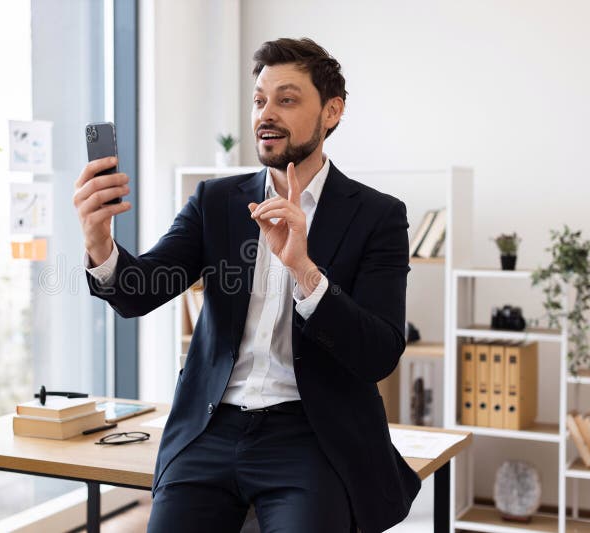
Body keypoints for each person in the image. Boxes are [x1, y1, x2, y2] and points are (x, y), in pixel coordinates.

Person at [73, 37, 421, 533]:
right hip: (210, 428)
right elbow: (140, 291)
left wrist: (304, 270)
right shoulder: (216, 201)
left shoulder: (378, 215)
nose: (266, 113)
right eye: (259, 100)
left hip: (310, 434)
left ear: (332, 112)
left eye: (287, 98)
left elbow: (379, 353)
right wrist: (99, 242)